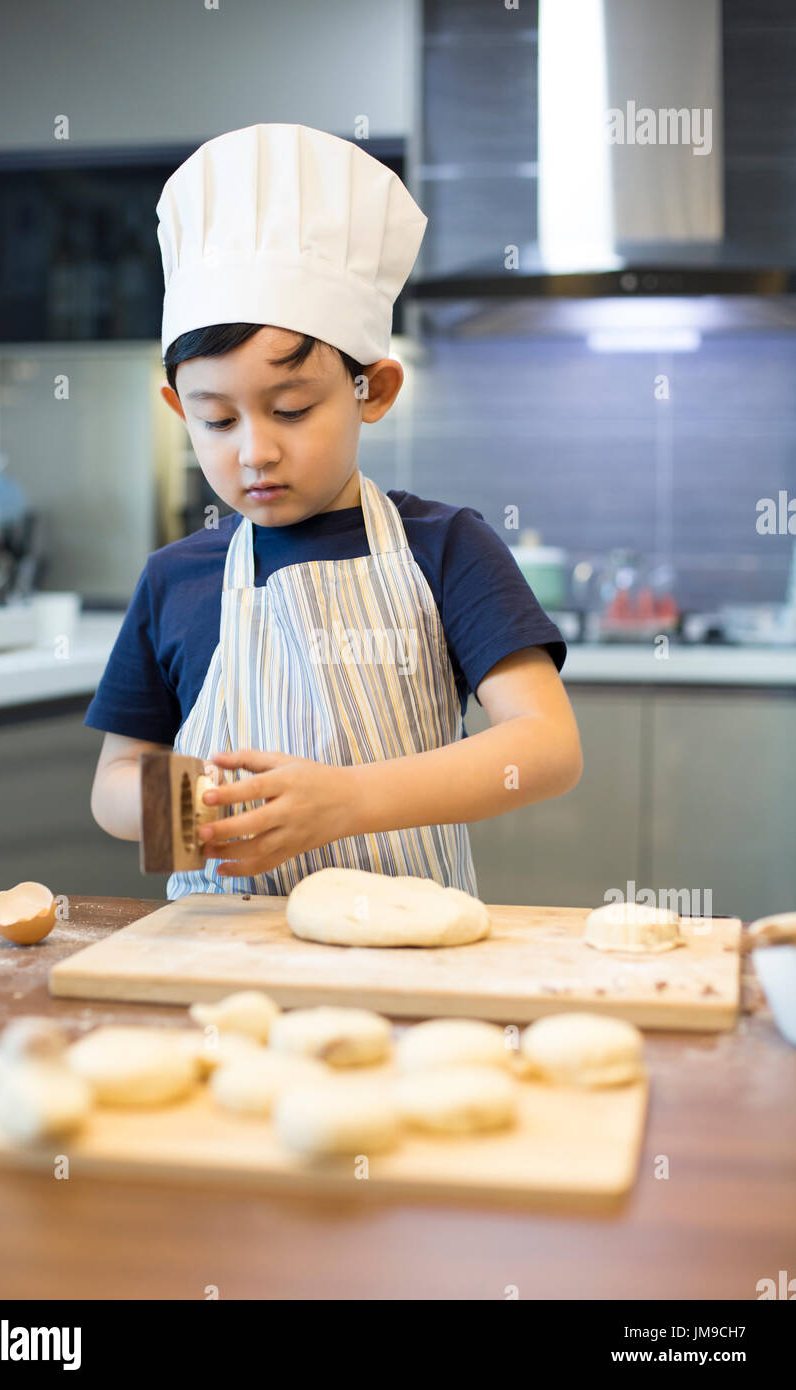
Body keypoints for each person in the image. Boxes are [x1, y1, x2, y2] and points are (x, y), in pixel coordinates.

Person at [86, 123, 582, 900]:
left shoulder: (445, 547)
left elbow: (547, 746)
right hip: (216, 965)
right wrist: (197, 811)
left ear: (372, 391)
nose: (254, 452)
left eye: (290, 409)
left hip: (405, 963)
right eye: (217, 421)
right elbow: (115, 780)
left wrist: (347, 802)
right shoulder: (175, 577)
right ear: (178, 407)